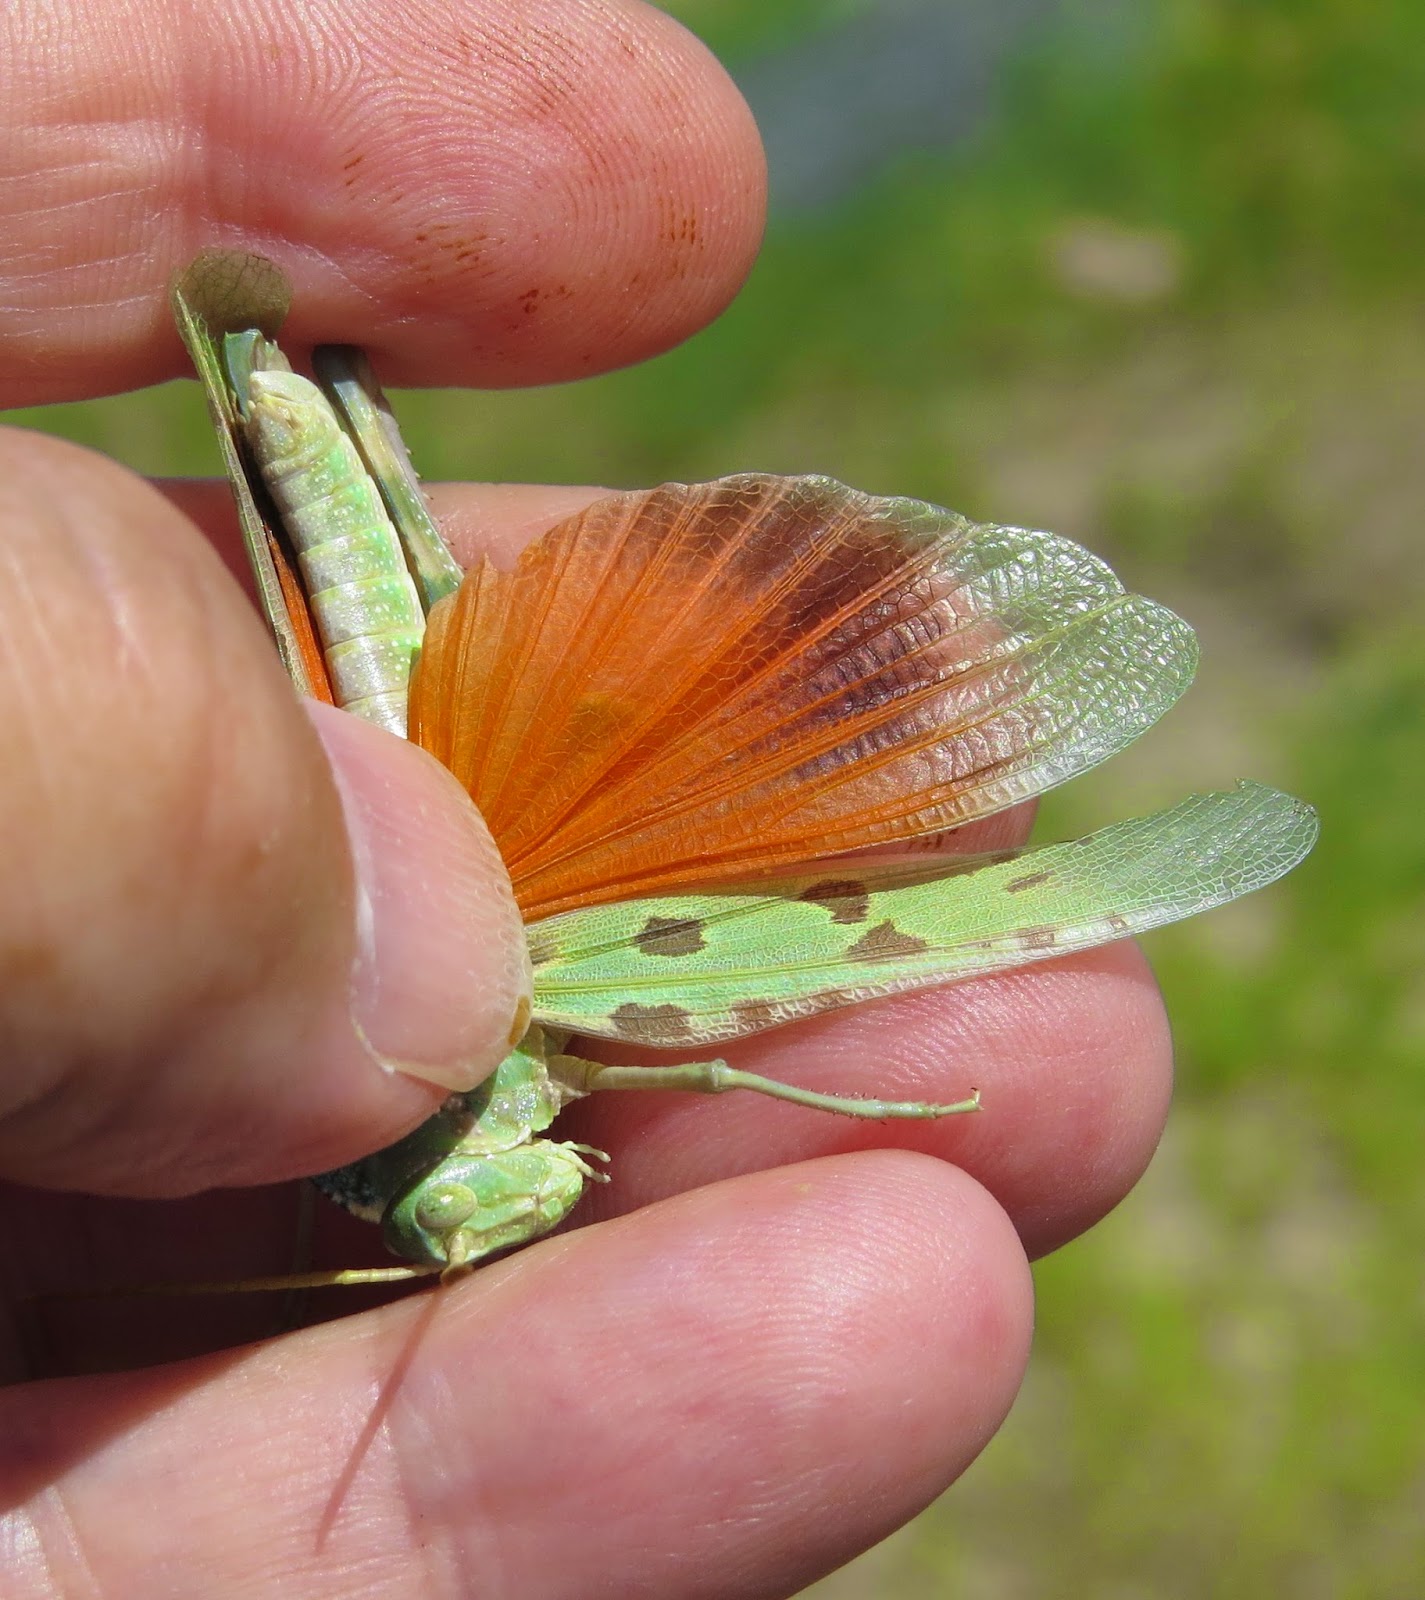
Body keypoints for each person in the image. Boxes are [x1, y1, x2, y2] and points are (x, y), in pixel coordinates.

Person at [0, 2, 1172, 1593]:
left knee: (354, 591)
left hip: (485, 789)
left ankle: (288, 393)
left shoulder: (406, 1035)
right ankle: (291, 390)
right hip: (530, 786)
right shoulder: (471, 1056)